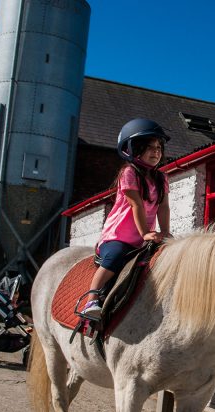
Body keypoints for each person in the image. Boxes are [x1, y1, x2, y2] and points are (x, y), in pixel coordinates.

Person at [80, 118, 171, 320]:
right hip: (118, 237)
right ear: (133, 149)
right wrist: (146, 233)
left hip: (143, 238)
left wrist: (165, 231)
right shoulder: (129, 173)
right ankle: (92, 298)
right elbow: (135, 204)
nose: (156, 152)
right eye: (149, 148)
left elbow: (163, 207)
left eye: (158, 148)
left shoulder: (161, 178)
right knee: (115, 256)